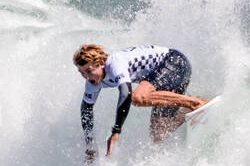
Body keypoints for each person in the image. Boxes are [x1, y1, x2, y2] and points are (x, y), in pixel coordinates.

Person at [74, 44, 209, 160]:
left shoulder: (114, 63)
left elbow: (125, 93)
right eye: (82, 73)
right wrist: (90, 145)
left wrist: (116, 130)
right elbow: (86, 110)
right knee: (158, 135)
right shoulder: (92, 82)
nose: (86, 77)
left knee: (137, 97)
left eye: (89, 71)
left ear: (101, 64)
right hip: (162, 79)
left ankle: (196, 103)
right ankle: (190, 109)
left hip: (174, 62)